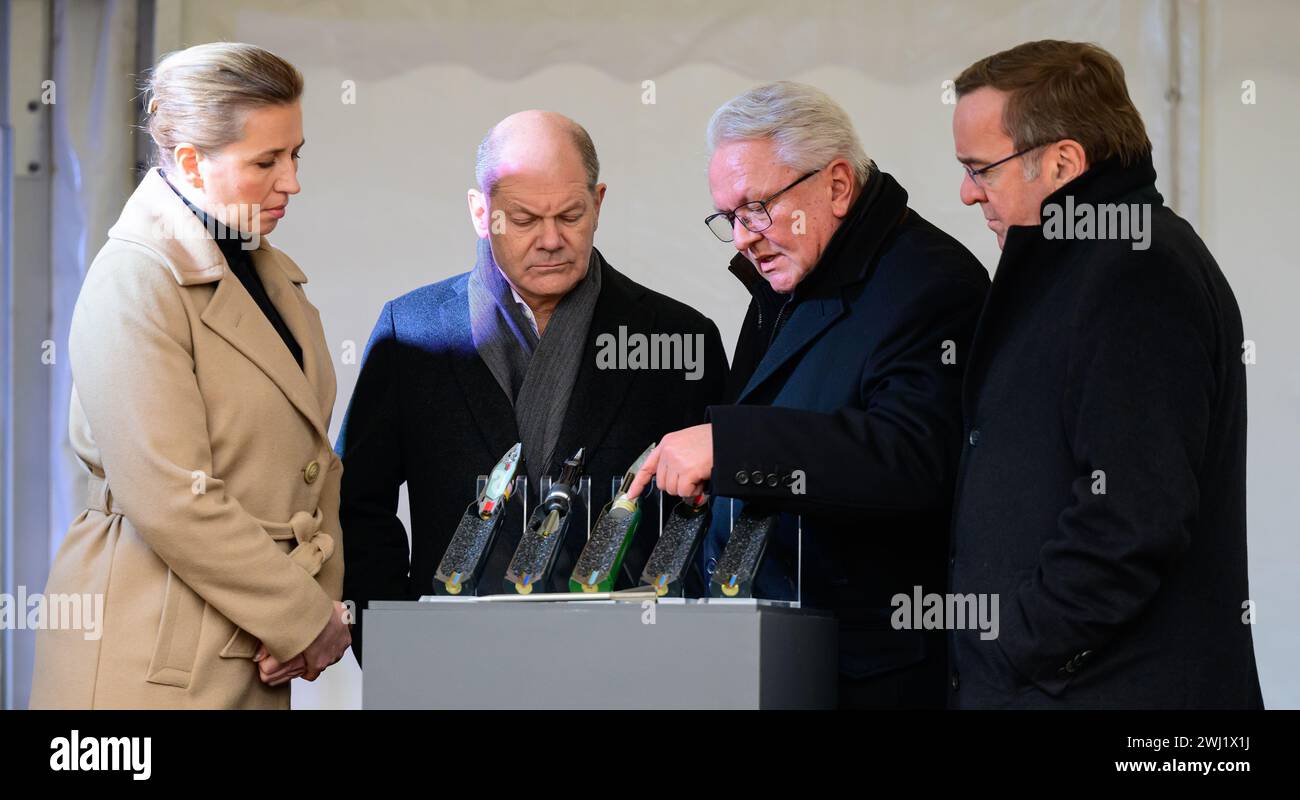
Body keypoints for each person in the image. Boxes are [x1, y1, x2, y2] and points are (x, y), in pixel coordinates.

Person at [629, 82, 989, 708]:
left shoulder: (933, 282)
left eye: (757, 207)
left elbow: (912, 461)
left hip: (867, 674)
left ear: (838, 185)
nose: (743, 236)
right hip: (770, 653)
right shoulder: (790, 271)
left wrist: (729, 445)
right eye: (729, 217)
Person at [336, 110, 728, 663]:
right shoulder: (413, 331)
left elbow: (714, 512)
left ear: (599, 203)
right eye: (523, 219)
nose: (551, 240)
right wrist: (389, 638)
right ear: (481, 212)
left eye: (571, 215)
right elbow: (357, 503)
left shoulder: (678, 338)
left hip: (632, 662)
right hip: (450, 659)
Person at [30, 43, 350, 709]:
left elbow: (315, 467)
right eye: (266, 161)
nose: (291, 181)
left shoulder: (269, 273)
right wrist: (306, 617)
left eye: (296, 155)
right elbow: (171, 495)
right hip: (148, 656)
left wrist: (320, 603)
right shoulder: (135, 279)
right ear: (189, 163)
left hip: (250, 645)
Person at [948, 40, 1263, 708]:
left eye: (981, 169)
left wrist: (1016, 652)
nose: (967, 193)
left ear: (1062, 161)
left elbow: (1130, 519)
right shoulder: (1078, 267)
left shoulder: (1135, 270)